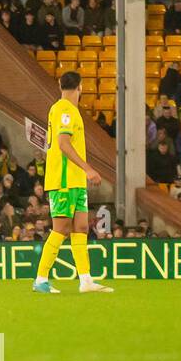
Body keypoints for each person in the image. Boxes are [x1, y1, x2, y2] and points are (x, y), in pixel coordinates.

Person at [32, 71, 113, 294]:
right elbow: (63, 144)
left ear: (60, 85)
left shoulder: (69, 110)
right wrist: (88, 169)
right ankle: (40, 279)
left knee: (81, 227)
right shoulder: (64, 109)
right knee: (61, 229)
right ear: (81, 87)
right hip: (64, 179)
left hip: (75, 181)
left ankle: (86, 280)